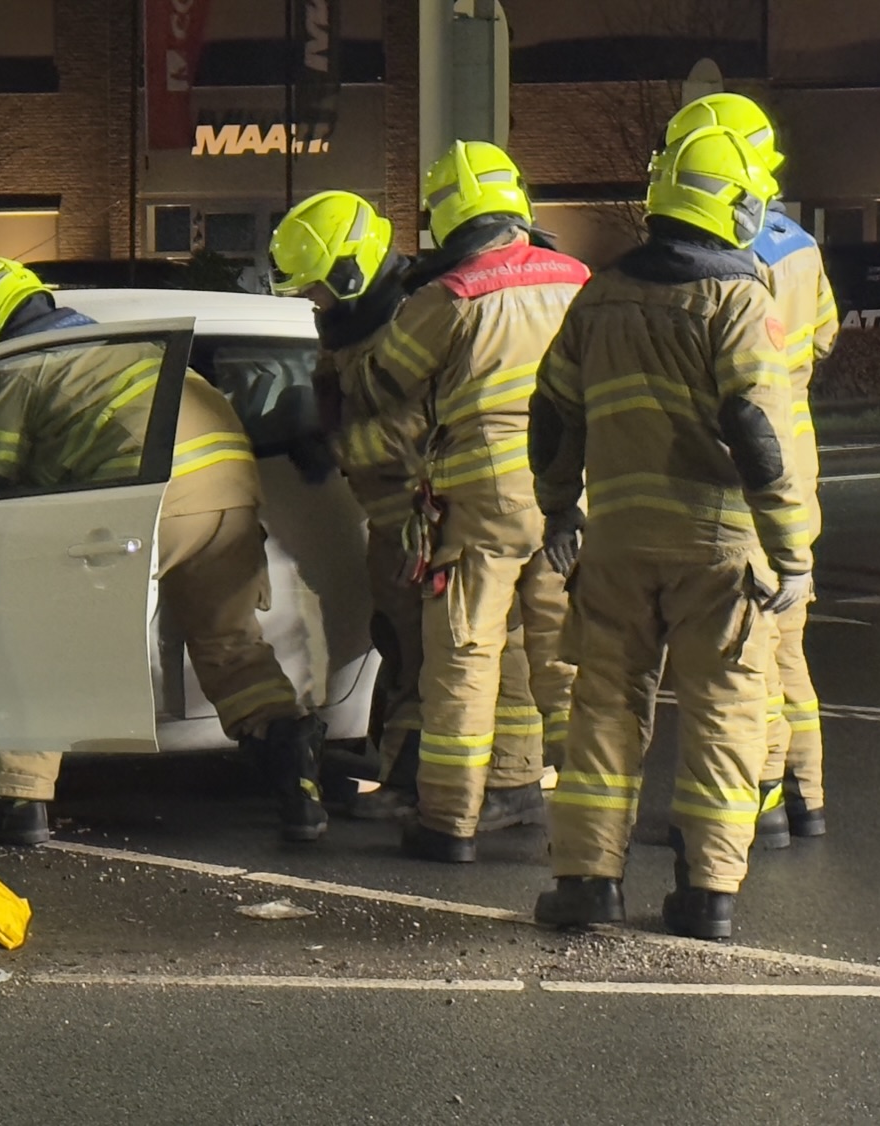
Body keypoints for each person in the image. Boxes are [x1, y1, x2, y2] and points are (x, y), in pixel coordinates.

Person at [0, 256, 329, 847]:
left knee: (53, 647)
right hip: (232, 495)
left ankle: (18, 803)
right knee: (231, 647)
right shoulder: (124, 345)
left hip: (146, 500)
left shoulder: (18, 366)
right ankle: (295, 779)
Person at [531, 124, 811, 939]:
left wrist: (558, 509)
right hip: (716, 550)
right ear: (730, 205)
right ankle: (707, 895)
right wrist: (790, 553)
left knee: (605, 709)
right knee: (725, 708)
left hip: (616, 542)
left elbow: (552, 414)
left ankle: (587, 882)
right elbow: (761, 437)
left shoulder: (600, 295)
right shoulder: (738, 301)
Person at [267, 191, 549, 828]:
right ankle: (468, 779)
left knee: (436, 653)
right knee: (411, 650)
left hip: (423, 511)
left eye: (316, 288)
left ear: (349, 271)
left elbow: (414, 428)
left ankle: (445, 785)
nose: (314, 303)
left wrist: (335, 446)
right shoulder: (354, 321)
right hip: (396, 514)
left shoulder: (409, 318)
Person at [352, 142, 587, 863]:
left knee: (464, 652)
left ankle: (447, 821)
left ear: (447, 216)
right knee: (567, 659)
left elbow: (383, 380)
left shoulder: (452, 295)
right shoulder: (578, 278)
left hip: (481, 498)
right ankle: (596, 816)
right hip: (571, 493)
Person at [663, 93, 838, 844]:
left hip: (745, 469)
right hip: (796, 455)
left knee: (749, 645)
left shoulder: (732, 251)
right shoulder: (798, 241)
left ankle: (759, 790)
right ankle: (806, 794)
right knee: (785, 640)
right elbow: (824, 337)